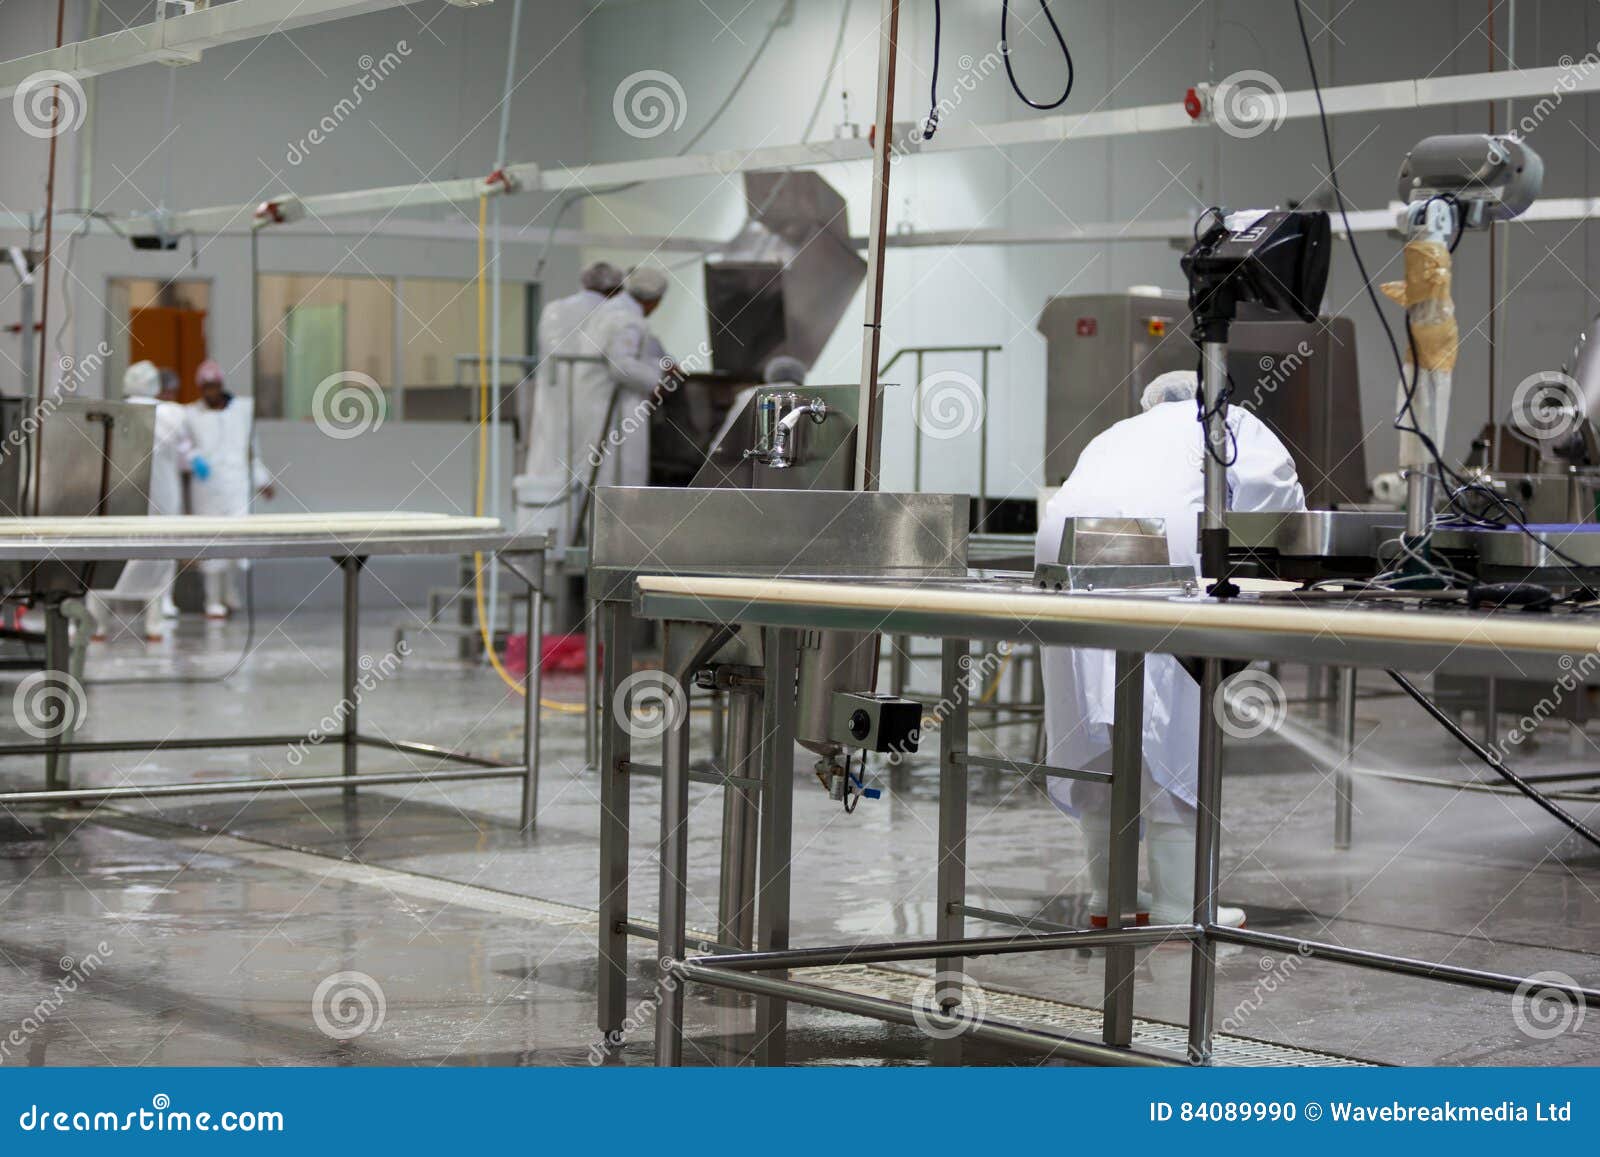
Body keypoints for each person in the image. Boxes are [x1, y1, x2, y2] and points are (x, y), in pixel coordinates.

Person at [1035, 369, 1306, 930]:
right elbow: (1280, 505)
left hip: (1066, 559)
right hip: (1158, 555)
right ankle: (1179, 910)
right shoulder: (1227, 424)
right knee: (1175, 725)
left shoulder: (1117, 431)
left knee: (1099, 727)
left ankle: (1108, 900)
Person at [517, 261, 626, 538]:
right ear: (616, 288)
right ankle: (590, 536)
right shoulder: (613, 314)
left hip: (552, 398)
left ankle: (551, 536)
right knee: (595, 470)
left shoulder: (554, 309)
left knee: (551, 463)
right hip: (595, 403)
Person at [88, 361, 193, 641]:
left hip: (119, 499)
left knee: (109, 555)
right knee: (157, 556)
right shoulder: (173, 414)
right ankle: (153, 626)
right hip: (163, 499)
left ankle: (97, 626)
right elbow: (187, 451)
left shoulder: (112, 412)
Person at [185, 359, 274, 619]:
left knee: (237, 542)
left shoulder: (242, 411)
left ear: (221, 384)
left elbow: (252, 451)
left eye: (213, 386)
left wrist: (261, 480)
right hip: (206, 487)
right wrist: (193, 459)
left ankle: (230, 592)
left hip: (236, 486)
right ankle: (212, 599)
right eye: (205, 387)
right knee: (210, 544)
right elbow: (182, 447)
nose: (209, 391)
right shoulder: (190, 414)